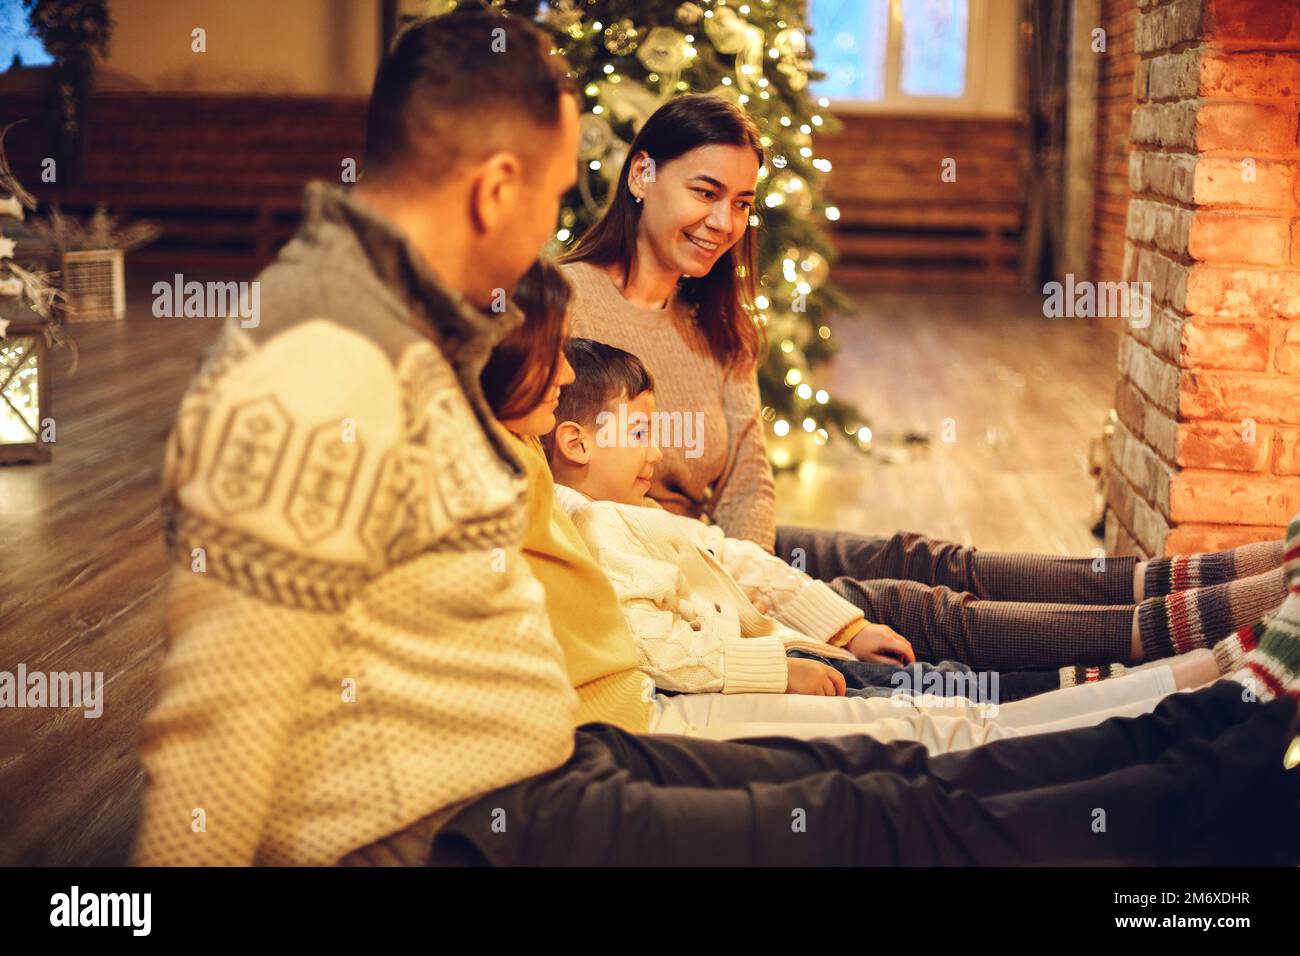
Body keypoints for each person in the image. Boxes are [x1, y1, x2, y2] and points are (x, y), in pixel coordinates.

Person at [133, 10, 1300, 868]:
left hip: (541, 755)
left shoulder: (393, 329)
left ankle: (1211, 730)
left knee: (875, 769)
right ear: (493, 186)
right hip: (459, 823)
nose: (548, 231)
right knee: (877, 817)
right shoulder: (318, 367)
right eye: (547, 194)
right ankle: (1226, 775)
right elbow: (213, 737)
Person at [558, 92, 1285, 671]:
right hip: (667, 574)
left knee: (927, 556)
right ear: (642, 173)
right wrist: (750, 598)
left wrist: (749, 560)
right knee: (921, 604)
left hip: (727, 550)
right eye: (706, 192)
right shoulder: (563, 304)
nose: (724, 222)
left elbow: (749, 473)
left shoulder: (717, 319)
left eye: (743, 203)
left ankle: (1218, 577)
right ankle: (1192, 631)